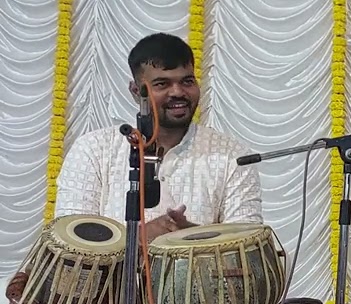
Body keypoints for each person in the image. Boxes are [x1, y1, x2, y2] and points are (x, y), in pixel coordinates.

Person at [53, 32, 264, 237]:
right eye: (162, 84)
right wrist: (138, 239)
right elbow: (72, 240)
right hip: (111, 274)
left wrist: (192, 237)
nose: (178, 92)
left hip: (197, 274)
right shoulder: (93, 150)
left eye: (187, 81)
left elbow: (246, 243)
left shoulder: (232, 156)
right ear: (136, 92)